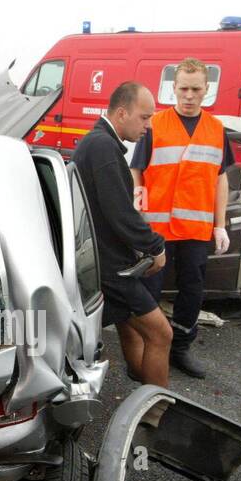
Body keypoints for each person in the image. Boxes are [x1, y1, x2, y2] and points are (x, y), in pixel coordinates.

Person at [129, 58, 233, 379]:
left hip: (196, 230)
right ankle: (146, 349)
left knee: (193, 290)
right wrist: (138, 210)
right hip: (156, 229)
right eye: (183, 88)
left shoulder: (216, 130)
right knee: (149, 291)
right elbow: (137, 170)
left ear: (206, 90)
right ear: (173, 89)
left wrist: (220, 224)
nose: (189, 95)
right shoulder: (155, 124)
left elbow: (221, 178)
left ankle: (181, 347)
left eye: (195, 89)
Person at [71, 81, 172, 387]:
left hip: (100, 260)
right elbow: (120, 213)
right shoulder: (102, 147)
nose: (149, 125)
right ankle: (157, 412)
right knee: (160, 333)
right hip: (113, 267)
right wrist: (155, 246)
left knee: (130, 328)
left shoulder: (99, 143)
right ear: (121, 112)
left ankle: (142, 383)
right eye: (144, 117)